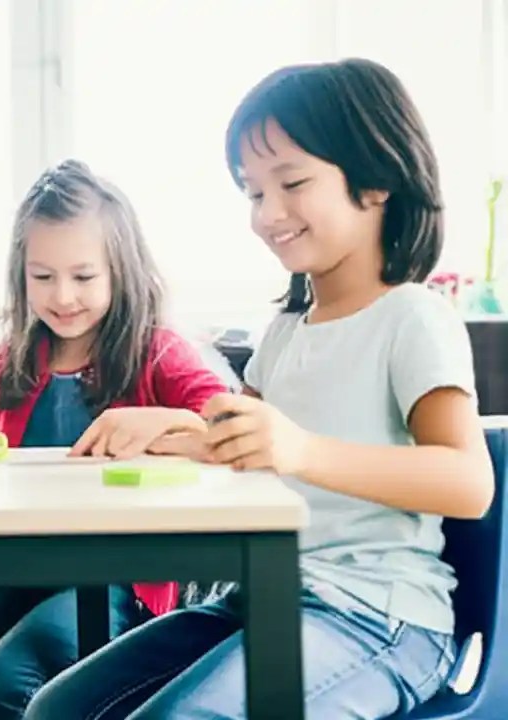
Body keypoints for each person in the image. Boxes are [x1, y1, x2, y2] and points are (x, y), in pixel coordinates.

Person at [24, 58, 494, 720]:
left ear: (378, 181)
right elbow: (244, 450)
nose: (266, 213)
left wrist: (300, 450)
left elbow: (467, 483)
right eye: (252, 192)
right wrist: (169, 429)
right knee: (57, 709)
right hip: (264, 596)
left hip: (379, 617)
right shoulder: (283, 332)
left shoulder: (411, 317)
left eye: (292, 182)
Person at [0, 160, 230, 720]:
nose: (63, 296)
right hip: (17, 572)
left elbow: (232, 424)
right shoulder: (15, 356)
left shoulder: (157, 352)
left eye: (83, 277)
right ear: (21, 276)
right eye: (43, 276)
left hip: (117, 584)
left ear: (119, 271)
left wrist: (164, 421)